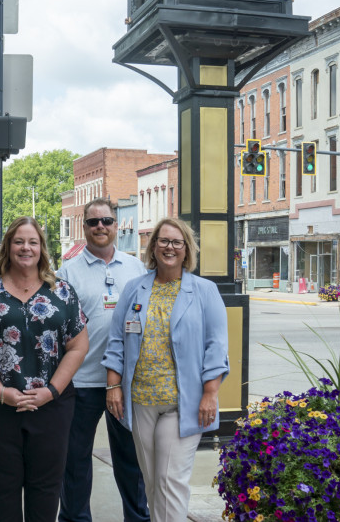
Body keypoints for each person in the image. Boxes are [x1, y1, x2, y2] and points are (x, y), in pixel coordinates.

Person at [0, 216, 89, 522]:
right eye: (19, 241)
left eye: (33, 242)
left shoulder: (63, 293)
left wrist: (51, 391)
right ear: (8, 247)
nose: (25, 248)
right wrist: (1, 392)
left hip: (51, 408)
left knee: (45, 495)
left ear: (42, 248)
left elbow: (79, 346)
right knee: (1, 495)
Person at [102, 217, 229, 522]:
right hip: (141, 400)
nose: (169, 247)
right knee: (152, 482)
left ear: (186, 249)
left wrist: (210, 393)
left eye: (176, 242)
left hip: (183, 403)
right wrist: (113, 386)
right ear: (153, 246)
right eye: (163, 241)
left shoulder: (204, 291)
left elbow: (216, 346)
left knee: (170, 481)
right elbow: (116, 339)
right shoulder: (135, 289)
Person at [57, 198, 150, 522]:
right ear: (84, 227)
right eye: (94, 222)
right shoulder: (66, 273)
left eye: (107, 221)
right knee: (75, 460)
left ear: (115, 225)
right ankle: (75, 518)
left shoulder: (136, 268)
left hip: (125, 382)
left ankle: (138, 518)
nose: (101, 227)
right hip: (80, 382)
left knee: (131, 460)